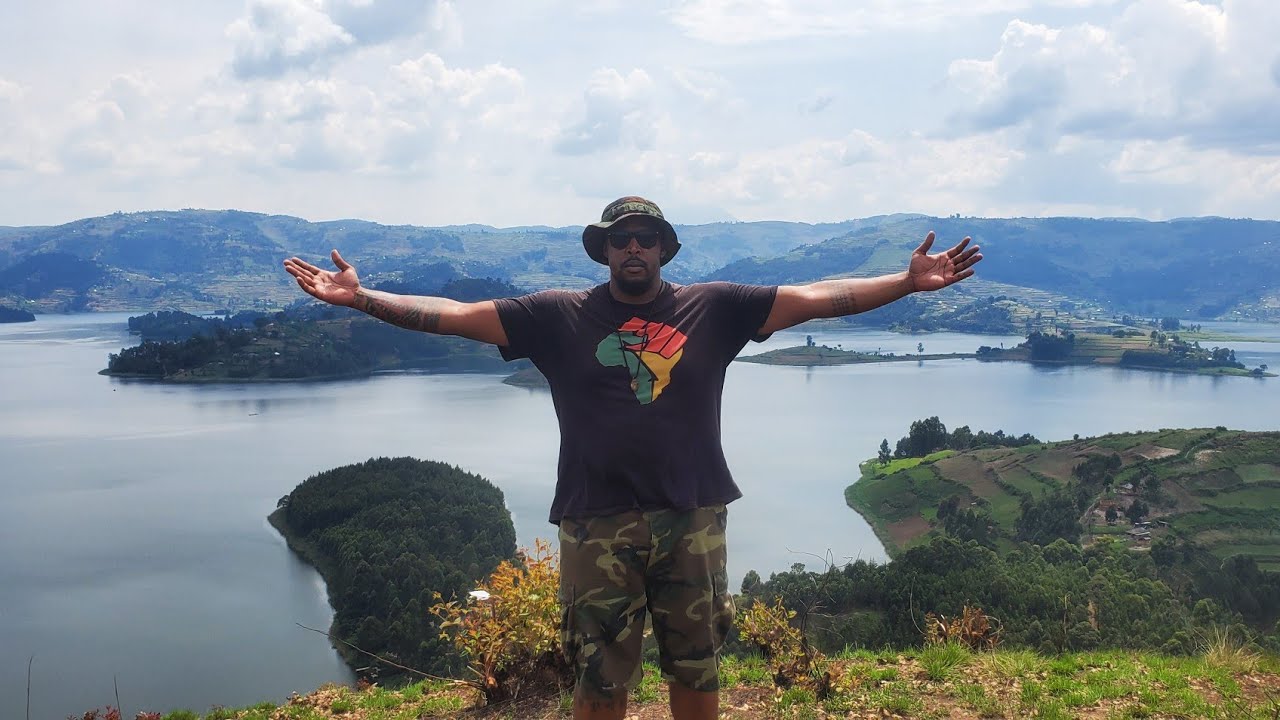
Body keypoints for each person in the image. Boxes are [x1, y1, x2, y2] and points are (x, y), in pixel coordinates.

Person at [283, 196, 982, 720]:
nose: (634, 249)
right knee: (600, 674)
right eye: (621, 239)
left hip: (693, 516)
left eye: (647, 238)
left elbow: (819, 298)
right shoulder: (557, 316)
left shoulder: (717, 307)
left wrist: (904, 280)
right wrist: (364, 299)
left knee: (697, 666)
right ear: (605, 251)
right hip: (597, 521)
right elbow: (456, 315)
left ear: (664, 250)